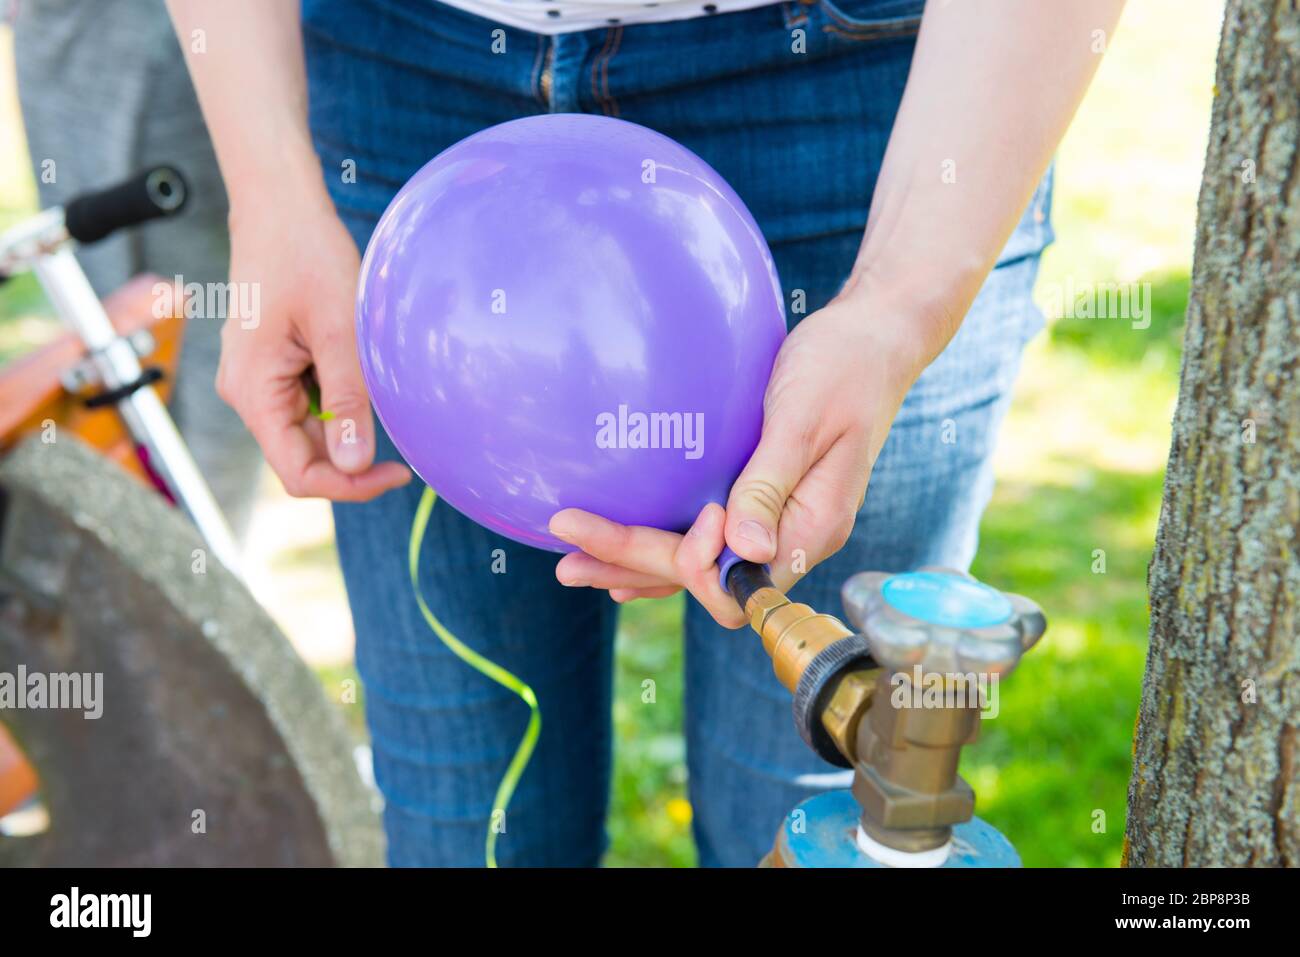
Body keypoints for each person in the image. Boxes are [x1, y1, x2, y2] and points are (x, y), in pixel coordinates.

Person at [166, 0, 1125, 866]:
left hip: (864, 100)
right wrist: (272, 193)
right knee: (467, 820)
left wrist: (894, 310)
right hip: (410, 90)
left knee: (825, 811)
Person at [11, 0, 262, 537]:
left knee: (208, 316)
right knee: (110, 326)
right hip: (68, 37)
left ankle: (206, 570)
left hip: (189, 38)